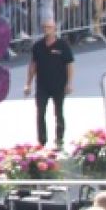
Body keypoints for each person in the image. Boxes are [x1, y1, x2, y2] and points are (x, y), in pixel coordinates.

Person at [26, 19, 73, 147]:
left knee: (58, 112)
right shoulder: (38, 46)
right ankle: (42, 140)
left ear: (54, 29)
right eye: (45, 27)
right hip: (42, 85)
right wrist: (28, 84)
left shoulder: (62, 45)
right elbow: (33, 65)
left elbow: (69, 64)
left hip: (58, 85)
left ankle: (59, 138)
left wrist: (69, 83)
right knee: (40, 112)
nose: (47, 30)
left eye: (49, 27)